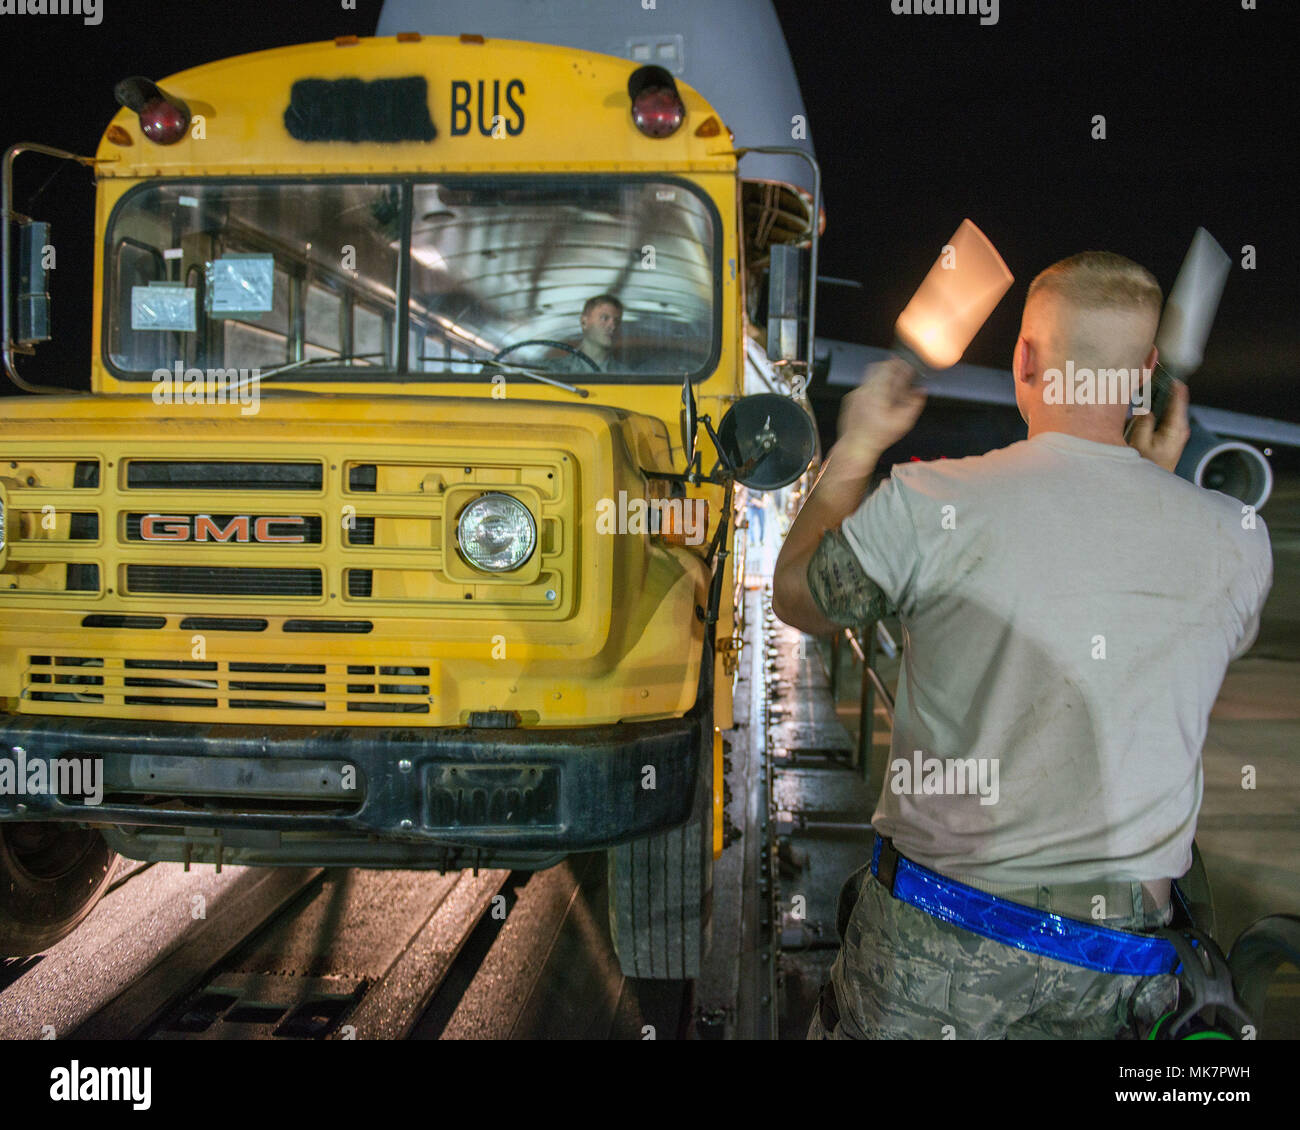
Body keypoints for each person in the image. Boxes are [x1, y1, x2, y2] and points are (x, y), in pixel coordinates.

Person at [772, 251, 1273, 1039]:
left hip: (933, 957)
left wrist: (858, 445)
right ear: (1144, 373)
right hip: (1125, 974)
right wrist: (1154, 486)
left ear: (1025, 359)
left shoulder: (930, 502)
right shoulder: (1238, 544)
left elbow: (797, 596)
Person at [556, 293, 623, 373]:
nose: (613, 326)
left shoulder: (628, 376)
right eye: (604, 318)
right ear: (584, 322)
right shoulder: (553, 371)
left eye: (617, 321)